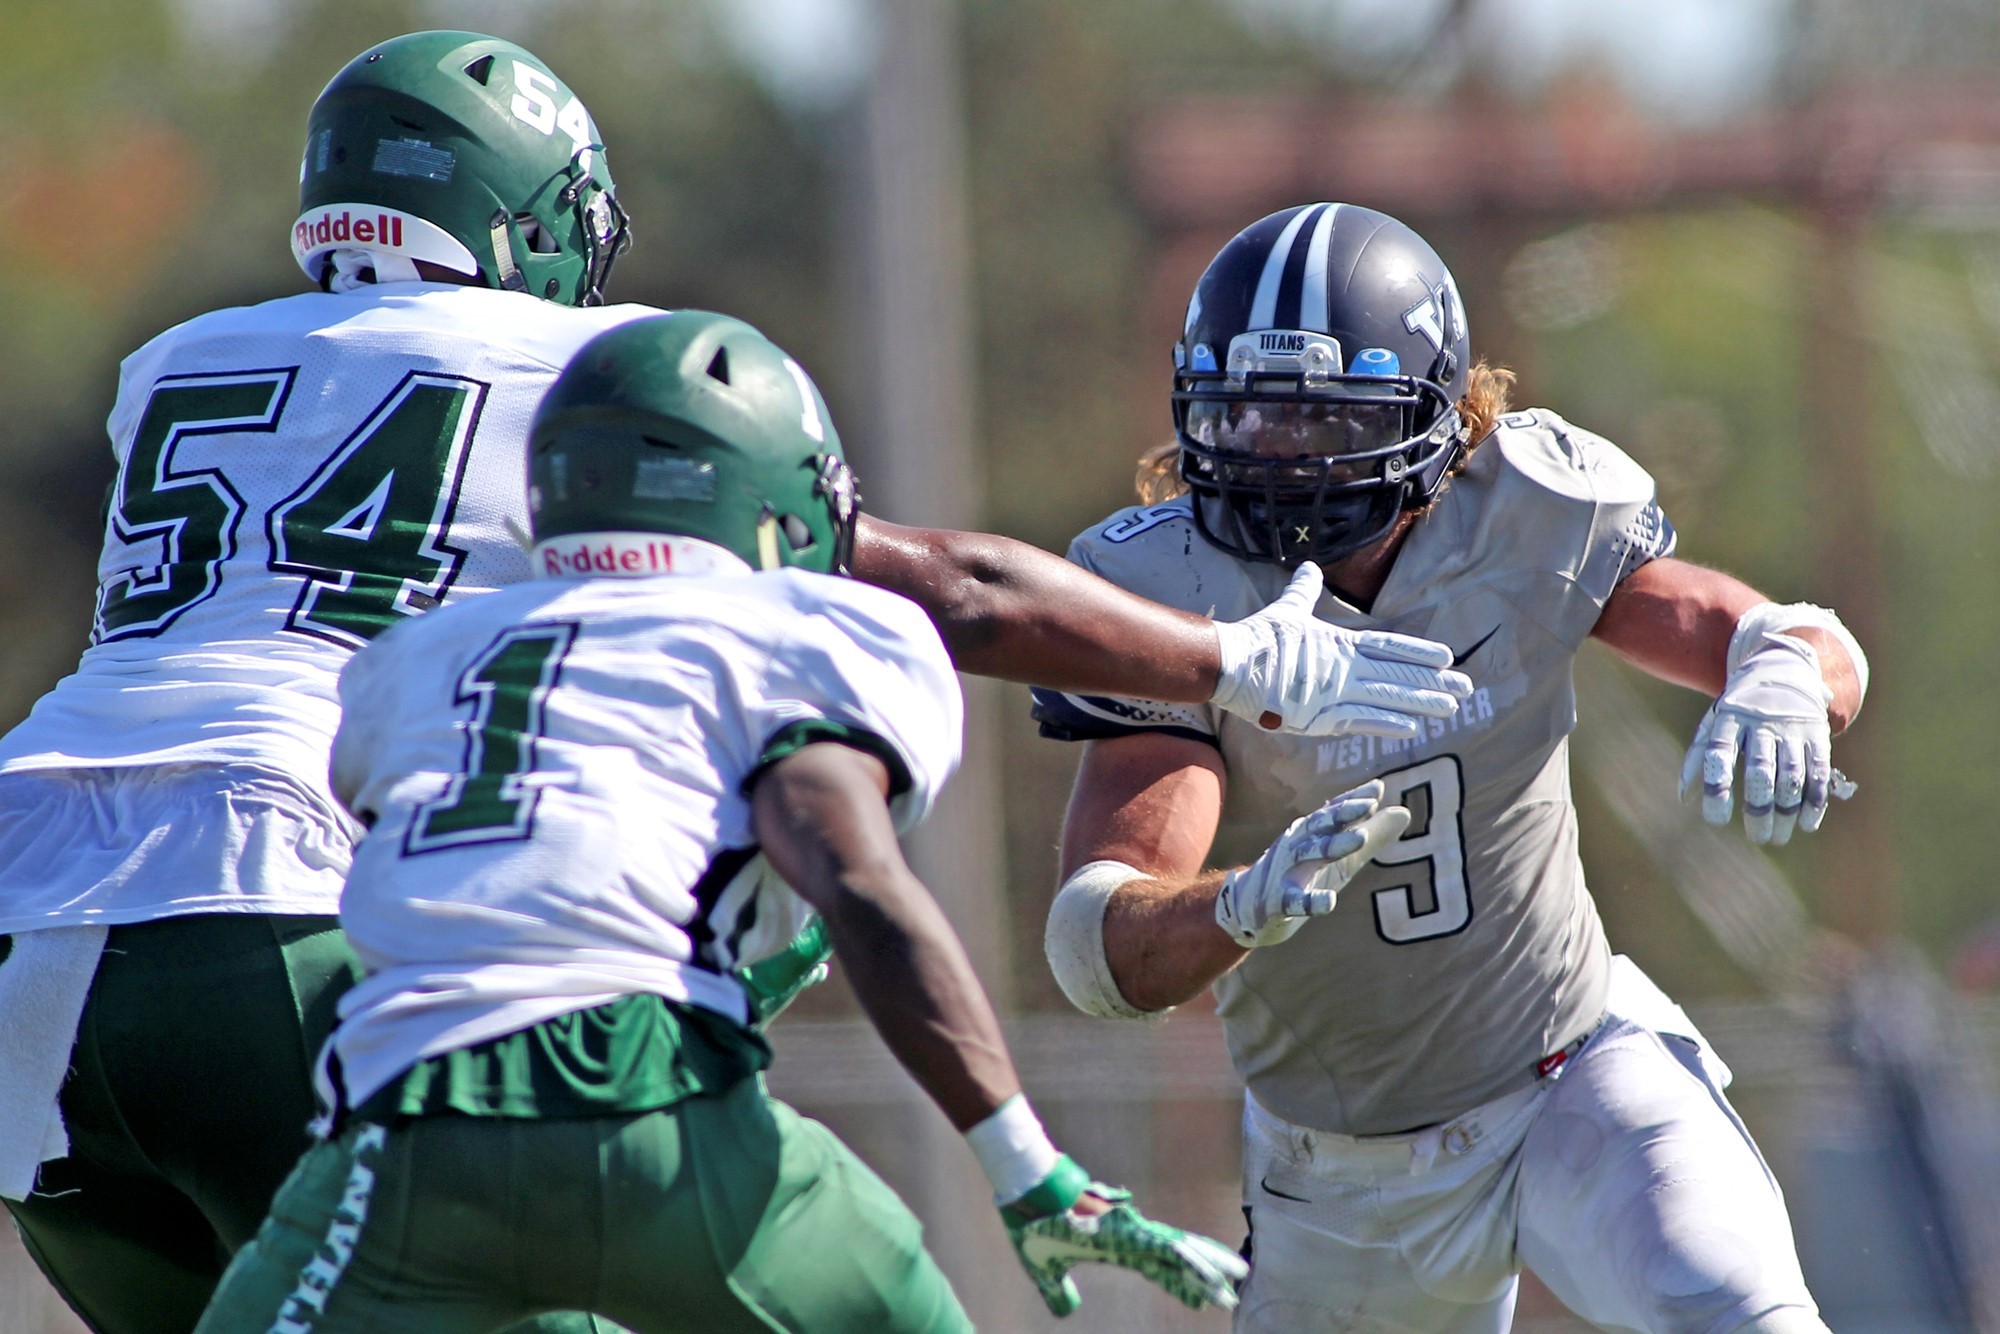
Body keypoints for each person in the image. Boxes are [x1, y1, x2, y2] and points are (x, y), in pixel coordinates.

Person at [0, 35, 1467, 1334]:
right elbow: (949, 586)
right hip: (278, 907)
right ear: (519, 217)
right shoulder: (574, 370)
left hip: (26, 926)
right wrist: (1228, 659)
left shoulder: (173, 365)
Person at [192, 311, 1247, 1332]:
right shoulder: (799, 628)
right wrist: (1030, 1168)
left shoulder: (413, 655)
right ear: (777, 500)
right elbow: (856, 879)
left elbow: (466, 869)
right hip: (658, 1108)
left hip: (409, 1131)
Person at [1033, 202, 1869, 1334]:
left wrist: (1780, 679)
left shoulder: (1531, 505)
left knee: (1742, 1315)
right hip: (1338, 1175)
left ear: (1432, 414)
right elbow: (1101, 948)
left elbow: (1782, 635)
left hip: (1568, 1077)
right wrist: (1236, 904)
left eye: (1323, 417)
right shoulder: (1160, 589)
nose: (1279, 458)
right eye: (1249, 416)